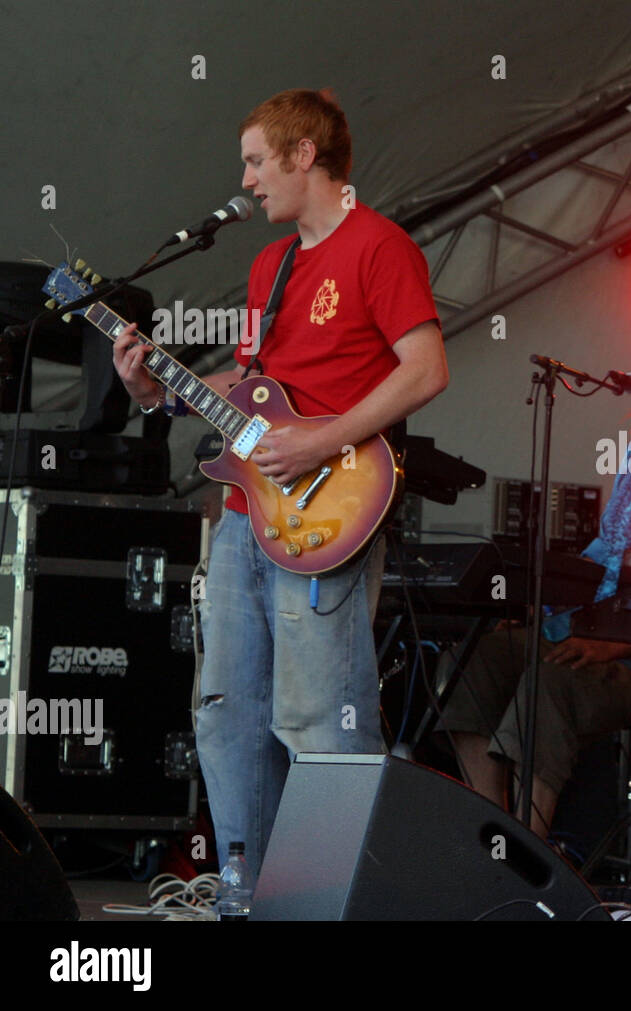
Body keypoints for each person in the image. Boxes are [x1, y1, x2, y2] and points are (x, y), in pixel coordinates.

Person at [112, 88, 449, 878]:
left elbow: (428, 368)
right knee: (226, 716)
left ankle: (332, 895)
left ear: (306, 156)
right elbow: (257, 382)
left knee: (320, 719)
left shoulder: (379, 246)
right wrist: (156, 386)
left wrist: (320, 441)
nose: (248, 180)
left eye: (257, 161)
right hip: (243, 515)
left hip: (326, 509)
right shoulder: (273, 262)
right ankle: (245, 887)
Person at [438, 322, 631, 837]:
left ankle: (526, 853)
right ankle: (491, 835)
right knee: (474, 659)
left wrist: (618, 644)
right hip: (588, 634)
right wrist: (534, 603)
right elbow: (605, 553)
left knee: (552, 684)